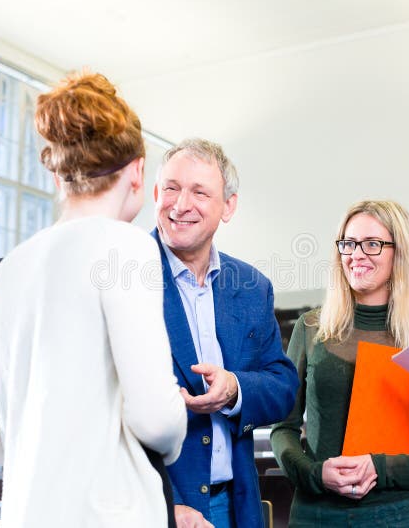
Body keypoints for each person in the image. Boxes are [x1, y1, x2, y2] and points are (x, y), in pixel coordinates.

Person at [0, 71, 187, 527]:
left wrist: (51, 446)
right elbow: (157, 420)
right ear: (137, 171)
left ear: (59, 176)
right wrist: (171, 429)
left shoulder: (12, 266)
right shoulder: (125, 245)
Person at [271, 200, 409, 527]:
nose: (356, 254)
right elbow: (283, 428)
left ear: (399, 253)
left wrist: (379, 468)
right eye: (348, 244)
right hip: (315, 514)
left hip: (398, 516)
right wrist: (314, 473)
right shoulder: (310, 328)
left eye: (372, 244)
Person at [152, 138, 299, 528]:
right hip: (157, 505)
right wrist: (165, 504)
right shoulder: (124, 278)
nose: (181, 204)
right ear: (155, 194)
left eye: (200, 192)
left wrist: (236, 388)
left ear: (228, 206)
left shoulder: (252, 286)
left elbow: (282, 385)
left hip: (235, 504)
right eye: (171, 188)